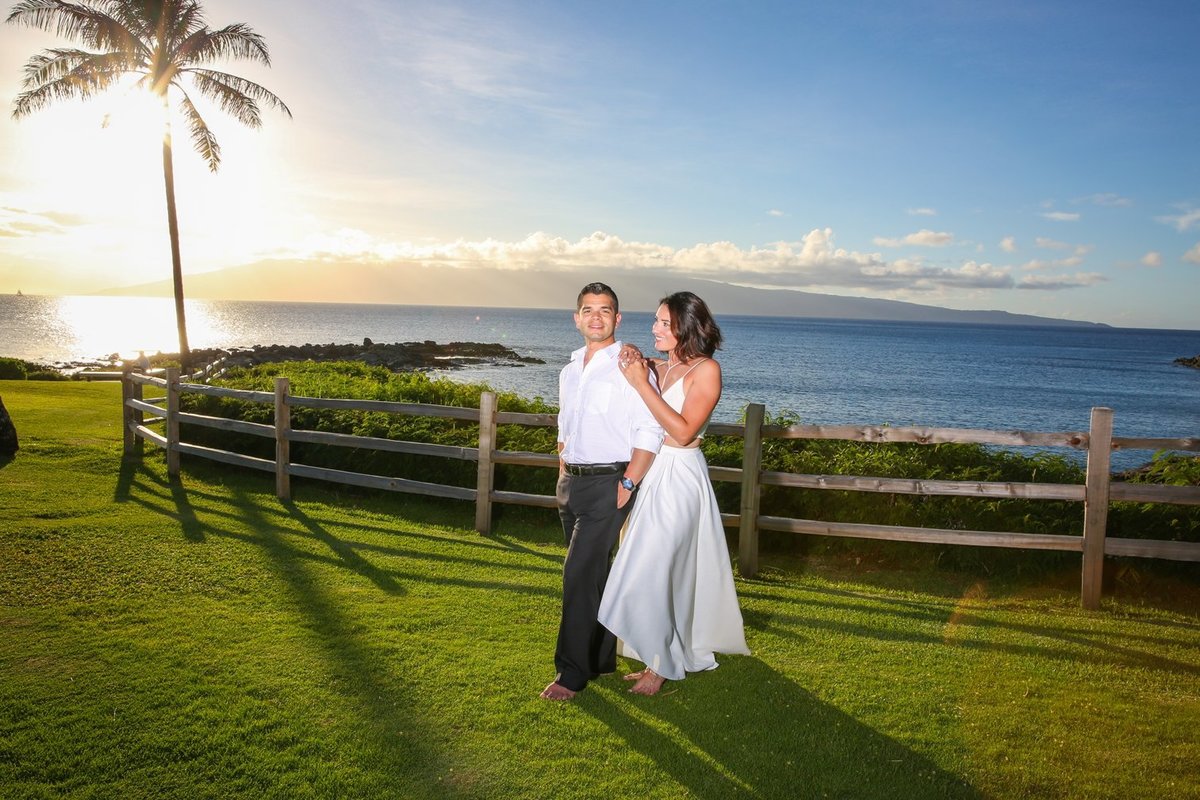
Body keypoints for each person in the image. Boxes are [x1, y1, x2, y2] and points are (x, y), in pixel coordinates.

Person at [598, 291, 750, 696]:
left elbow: (683, 432)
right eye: (655, 321)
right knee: (645, 569)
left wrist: (640, 384)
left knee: (660, 567)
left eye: (664, 323)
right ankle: (655, 651)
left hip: (681, 476)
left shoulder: (707, 371)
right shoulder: (657, 367)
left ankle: (662, 666)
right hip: (651, 472)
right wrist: (633, 358)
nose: (654, 329)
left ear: (687, 326)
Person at [540, 282, 664, 701]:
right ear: (577, 319)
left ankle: (571, 674)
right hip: (570, 483)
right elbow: (564, 421)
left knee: (576, 577)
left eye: (605, 310)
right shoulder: (570, 368)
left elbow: (650, 427)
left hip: (608, 483)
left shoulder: (631, 366)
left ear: (618, 318)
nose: (596, 317)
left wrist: (628, 480)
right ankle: (600, 657)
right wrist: (562, 463)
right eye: (588, 310)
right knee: (592, 577)